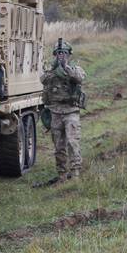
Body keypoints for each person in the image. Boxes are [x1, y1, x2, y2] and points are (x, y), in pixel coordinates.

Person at [41, 39, 87, 182]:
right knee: (59, 146)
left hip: (71, 111)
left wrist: (65, 67)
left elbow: (80, 78)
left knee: (73, 142)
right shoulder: (51, 70)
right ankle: (61, 174)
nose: (61, 55)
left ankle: (75, 173)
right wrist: (55, 69)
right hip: (55, 112)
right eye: (59, 53)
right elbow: (43, 80)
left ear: (69, 55)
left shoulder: (74, 69)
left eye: (64, 53)